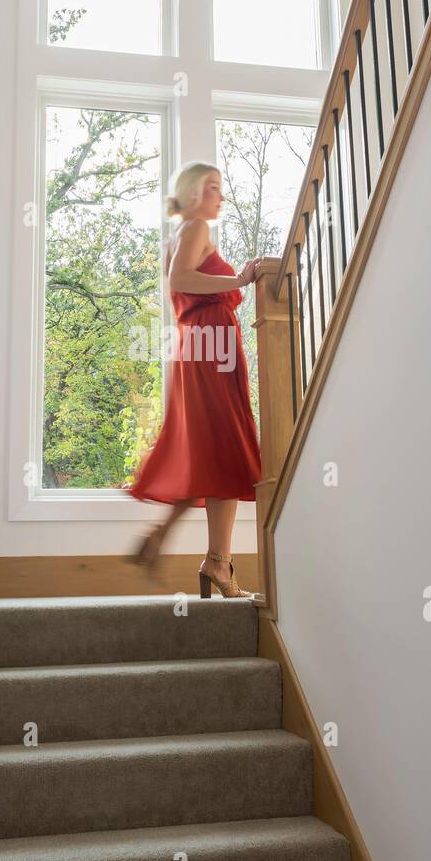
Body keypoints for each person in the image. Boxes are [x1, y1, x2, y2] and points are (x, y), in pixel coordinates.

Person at [125, 161, 262, 598]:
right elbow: (181, 279)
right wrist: (240, 277)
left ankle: (196, 551)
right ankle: (217, 563)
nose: (220, 196)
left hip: (199, 346)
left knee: (212, 450)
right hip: (210, 349)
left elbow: (183, 282)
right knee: (225, 448)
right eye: (212, 188)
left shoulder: (181, 234)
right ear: (190, 194)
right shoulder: (196, 228)